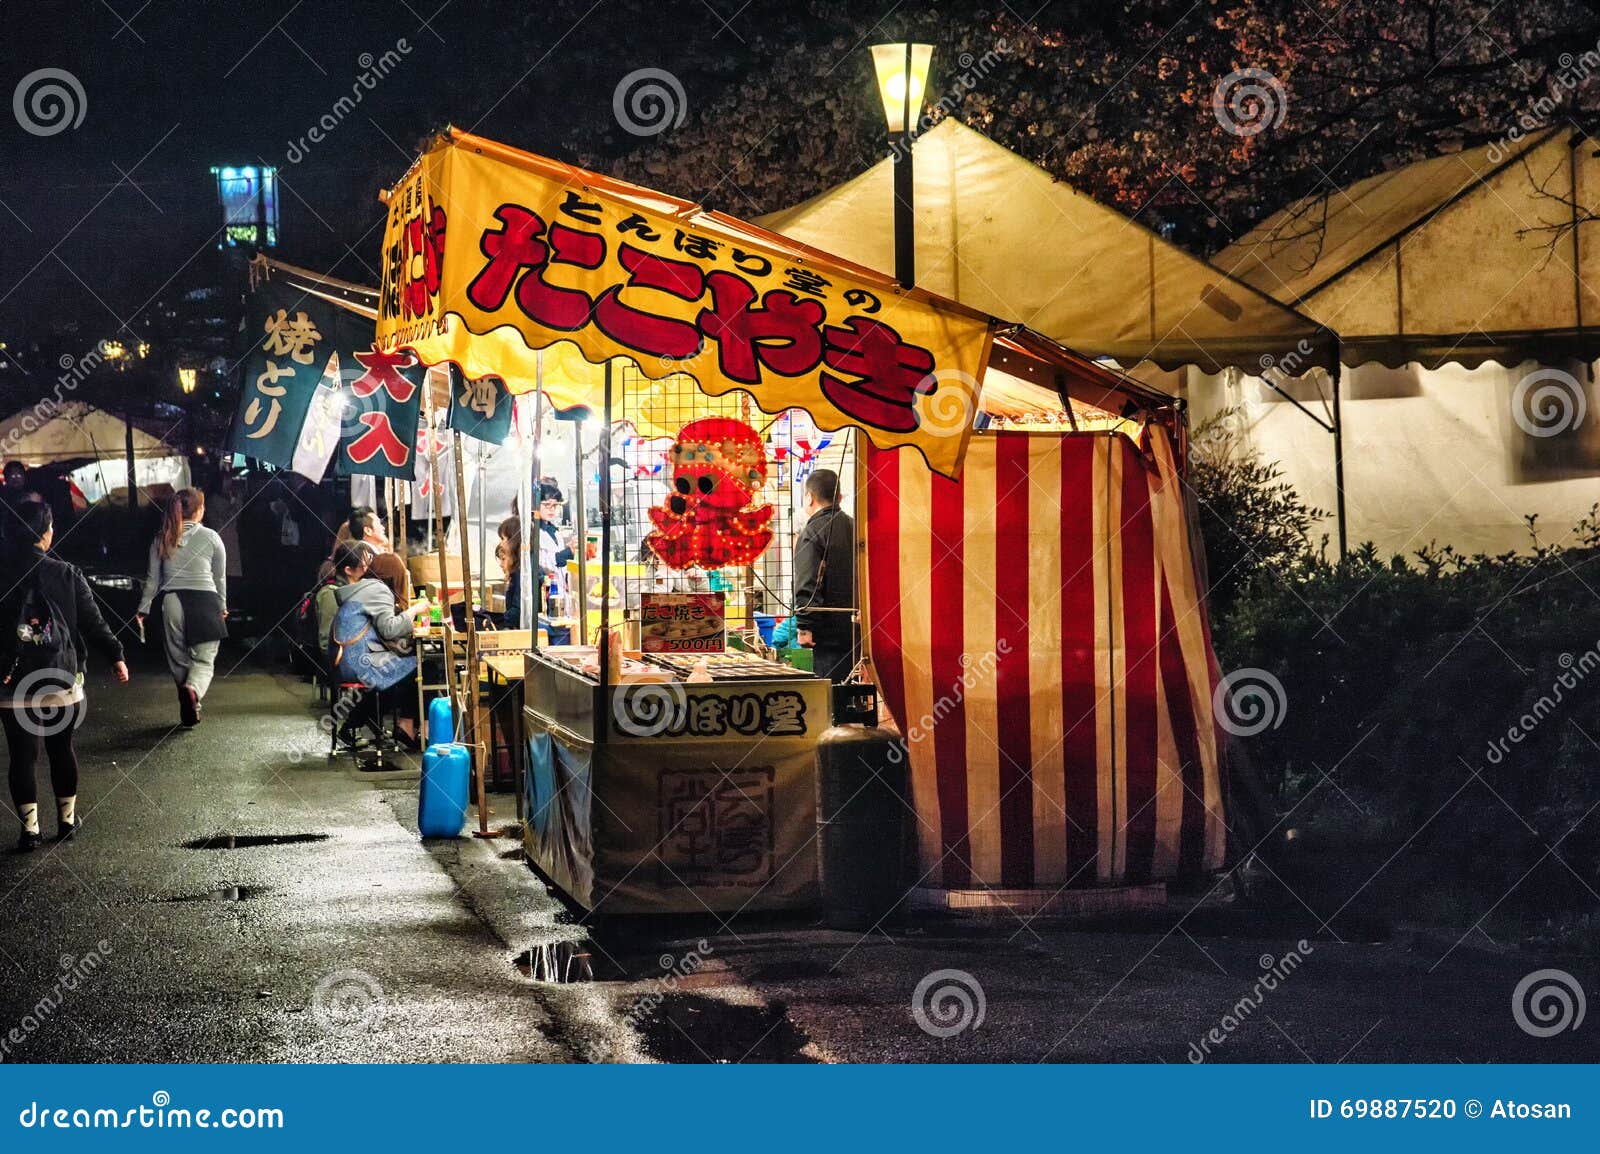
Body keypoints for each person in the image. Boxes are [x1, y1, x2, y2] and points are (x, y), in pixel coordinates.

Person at [0, 502, 129, 851]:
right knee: (61, 749)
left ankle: (30, 830)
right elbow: (92, 622)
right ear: (45, 532)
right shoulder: (66, 573)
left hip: (11, 681)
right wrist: (116, 655)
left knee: (21, 756)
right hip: (60, 678)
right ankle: (67, 821)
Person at [136, 488, 227, 728]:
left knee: (178, 659)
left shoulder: (161, 538)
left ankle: (190, 708)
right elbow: (220, 579)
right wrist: (223, 605)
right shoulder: (212, 537)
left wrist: (143, 609)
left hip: (171, 601)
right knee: (204, 660)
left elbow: (152, 579)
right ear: (199, 511)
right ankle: (193, 690)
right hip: (206, 602)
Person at [327, 542, 430, 746]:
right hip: (356, 663)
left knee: (406, 669)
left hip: (342, 659)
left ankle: (402, 726)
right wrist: (414, 610)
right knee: (422, 667)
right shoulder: (379, 590)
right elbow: (389, 629)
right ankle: (413, 728)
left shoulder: (364, 588)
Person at [793, 468, 857, 685]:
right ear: (839, 497)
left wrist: (805, 625)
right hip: (860, 626)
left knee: (832, 696)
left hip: (828, 632)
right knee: (855, 694)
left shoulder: (812, 533)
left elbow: (808, 580)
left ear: (810, 497)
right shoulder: (856, 527)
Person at [496, 515, 522, 629]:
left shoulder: (521, 574)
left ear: (513, 540)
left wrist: (492, 620)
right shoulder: (517, 573)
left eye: (503, 539)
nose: (501, 543)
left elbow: (517, 612)